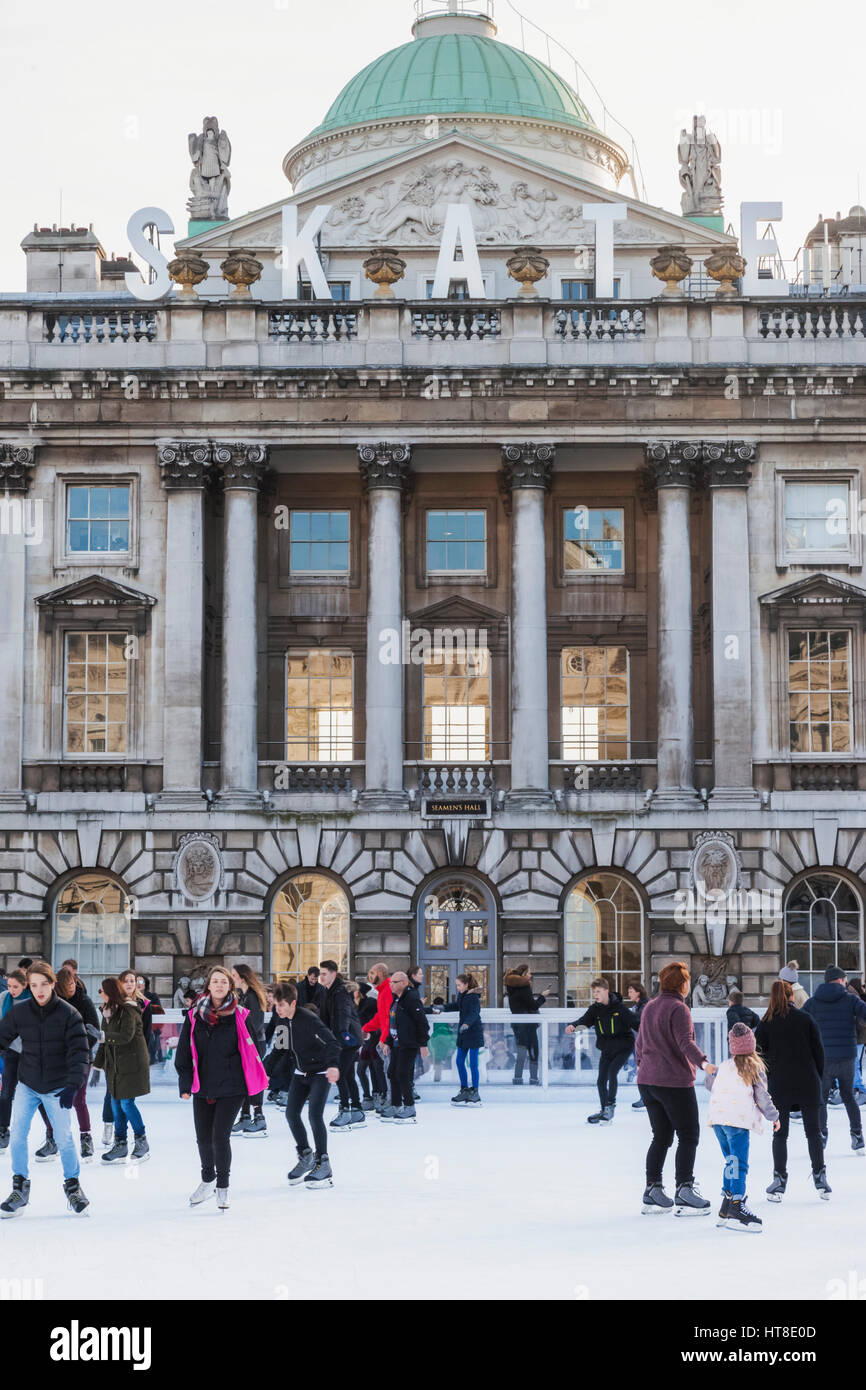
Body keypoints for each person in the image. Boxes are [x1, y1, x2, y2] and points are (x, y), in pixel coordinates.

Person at [175, 965, 270, 1210]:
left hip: (232, 1085)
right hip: (203, 1084)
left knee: (220, 1137)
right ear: (208, 986)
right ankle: (208, 1180)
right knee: (203, 1139)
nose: (219, 985)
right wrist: (185, 1083)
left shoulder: (240, 1014)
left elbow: (253, 1052)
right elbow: (184, 1051)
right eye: (215, 981)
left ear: (230, 987)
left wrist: (254, 1089)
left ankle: (223, 1187)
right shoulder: (195, 1015)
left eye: (224, 982)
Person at [0, 963, 90, 1217]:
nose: (39, 990)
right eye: (34, 985)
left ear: (52, 984)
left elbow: (79, 1052)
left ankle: (73, 1187)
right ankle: (20, 1188)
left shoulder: (69, 1014)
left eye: (43, 984)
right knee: (17, 1135)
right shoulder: (21, 1013)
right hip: (28, 1084)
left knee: (63, 1138)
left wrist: (73, 1085)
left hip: (58, 1086)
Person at [635, 960, 717, 1216]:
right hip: (673, 1082)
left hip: (647, 1081)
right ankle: (684, 1187)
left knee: (661, 1136)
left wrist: (644, 1066)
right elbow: (685, 1043)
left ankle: (652, 1189)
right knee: (689, 1134)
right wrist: (704, 1063)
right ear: (682, 984)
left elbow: (640, 1043)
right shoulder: (679, 1009)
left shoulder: (650, 1006)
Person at [755, 980, 830, 1201]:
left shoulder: (766, 1023)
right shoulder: (805, 1019)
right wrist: (816, 1075)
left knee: (780, 1134)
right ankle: (820, 1177)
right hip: (807, 1082)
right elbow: (819, 1052)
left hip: (780, 1084)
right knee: (813, 1132)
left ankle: (779, 1179)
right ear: (791, 996)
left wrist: (769, 1077)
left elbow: (759, 1057)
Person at [706, 1022, 779, 1233]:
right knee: (739, 1165)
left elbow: (709, 1084)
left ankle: (726, 1204)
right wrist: (774, 1116)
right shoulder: (754, 1068)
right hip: (737, 1123)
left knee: (731, 1161)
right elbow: (763, 1098)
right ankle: (737, 1205)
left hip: (718, 1120)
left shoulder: (724, 1066)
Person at [272, 983, 341, 1189]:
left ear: (293, 1003)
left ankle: (323, 1162)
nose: (278, 1009)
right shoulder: (283, 1022)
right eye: (276, 1005)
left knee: (314, 1115)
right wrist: (263, 1072)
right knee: (291, 1114)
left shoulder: (309, 1019)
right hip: (300, 1074)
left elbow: (332, 1042)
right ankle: (306, 1156)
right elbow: (279, 1050)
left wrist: (332, 1066)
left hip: (320, 1073)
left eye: (282, 1005)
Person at [36, 965, 101, 1163]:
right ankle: (53, 1138)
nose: (72, 986)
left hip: (80, 1057)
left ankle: (86, 1137)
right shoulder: (52, 1004)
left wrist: (80, 1048)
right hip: (57, 1058)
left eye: (73, 982)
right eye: (67, 984)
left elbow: (94, 1030)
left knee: (78, 1099)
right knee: (49, 1099)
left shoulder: (84, 1001)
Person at [802, 965, 866, 1153]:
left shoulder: (813, 1002)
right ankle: (857, 1135)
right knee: (848, 1096)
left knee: (821, 1099)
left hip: (823, 1058)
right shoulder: (850, 999)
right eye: (845, 979)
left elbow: (800, 1022)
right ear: (839, 980)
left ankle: (821, 1135)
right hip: (846, 1056)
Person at [566, 976, 640, 1124]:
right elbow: (584, 1022)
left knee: (613, 1073)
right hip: (607, 1048)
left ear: (606, 991)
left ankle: (610, 1107)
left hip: (623, 1047)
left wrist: (651, 1033)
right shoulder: (595, 1009)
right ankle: (603, 1109)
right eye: (594, 992)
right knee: (601, 1081)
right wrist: (573, 1026)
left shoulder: (619, 1008)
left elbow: (636, 1024)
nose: (596, 995)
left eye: (598, 991)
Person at [95, 977, 151, 1165]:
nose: (99, 994)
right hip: (115, 1067)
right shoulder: (108, 1012)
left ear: (110, 992)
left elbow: (126, 1036)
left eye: (101, 990)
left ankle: (141, 1140)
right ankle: (121, 1144)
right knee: (115, 1104)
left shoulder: (129, 1010)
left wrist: (103, 1036)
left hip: (131, 1065)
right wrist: (97, 1066)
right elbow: (104, 1043)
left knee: (126, 1104)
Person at [319, 960, 365, 1132]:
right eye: (320, 973)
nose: (320, 977)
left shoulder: (340, 992)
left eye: (324, 973)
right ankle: (358, 1110)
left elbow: (343, 1013)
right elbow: (324, 1016)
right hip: (342, 1038)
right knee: (348, 1075)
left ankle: (345, 1110)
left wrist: (343, 1033)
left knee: (340, 1074)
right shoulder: (327, 991)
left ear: (333, 973)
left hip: (347, 1039)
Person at [381, 972, 430, 1123]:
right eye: (390, 983)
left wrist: (423, 1044)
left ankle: (409, 1106)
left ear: (403, 983)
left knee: (402, 1074)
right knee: (392, 1073)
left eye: (394, 982)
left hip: (408, 1044)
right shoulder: (396, 1000)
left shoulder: (411, 999)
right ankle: (396, 1105)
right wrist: (388, 1041)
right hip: (396, 1044)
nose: (391, 985)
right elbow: (393, 1023)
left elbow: (422, 1023)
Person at [230, 965, 268, 1136]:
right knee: (244, 1080)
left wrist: (246, 1042)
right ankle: (245, 1115)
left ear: (242, 977)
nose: (231, 978)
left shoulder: (252, 996)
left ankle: (259, 1117)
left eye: (233, 975)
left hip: (254, 1044)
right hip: (246, 1043)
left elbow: (256, 1023)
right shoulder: (242, 996)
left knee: (254, 1078)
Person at [435, 974, 484, 1105]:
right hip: (463, 1033)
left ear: (466, 985)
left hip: (473, 1032)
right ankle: (464, 1089)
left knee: (473, 1063)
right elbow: (457, 1005)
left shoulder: (473, 997)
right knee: (459, 1061)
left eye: (459, 985)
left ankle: (475, 1091)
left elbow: (475, 1013)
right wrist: (443, 1007)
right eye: (456, 985)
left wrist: (467, 1024)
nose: (457, 988)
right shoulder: (462, 996)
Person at [0, 970, 30, 1150]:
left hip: (30, 1052)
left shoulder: (32, 999)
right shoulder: (4, 998)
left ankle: (51, 1134)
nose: (12, 990)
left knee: (38, 1093)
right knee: (6, 1092)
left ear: (24, 985)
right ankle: (3, 1128)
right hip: (10, 1051)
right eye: (9, 986)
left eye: (16, 987)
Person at [505, 964, 550, 1085]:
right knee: (533, 1052)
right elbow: (533, 1005)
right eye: (529, 973)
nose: (531, 975)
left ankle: (518, 1079)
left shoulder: (513, 988)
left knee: (521, 1052)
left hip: (519, 1025)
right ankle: (534, 1079)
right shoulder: (524, 987)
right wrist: (542, 996)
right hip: (528, 1025)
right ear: (524, 974)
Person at [354, 982, 379, 1110]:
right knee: (366, 1069)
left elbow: (378, 1019)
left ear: (359, 992)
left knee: (367, 1069)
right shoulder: (357, 1005)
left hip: (374, 1040)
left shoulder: (370, 1003)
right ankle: (371, 1096)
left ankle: (373, 1096)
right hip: (367, 1041)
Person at [626, 981, 649, 1108]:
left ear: (638, 992)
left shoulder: (644, 1005)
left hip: (645, 1044)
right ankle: (645, 1098)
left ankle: (646, 1099)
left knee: (644, 1072)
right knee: (642, 1071)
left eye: (631, 991)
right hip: (639, 1043)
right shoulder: (638, 1006)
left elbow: (638, 1023)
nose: (628, 994)